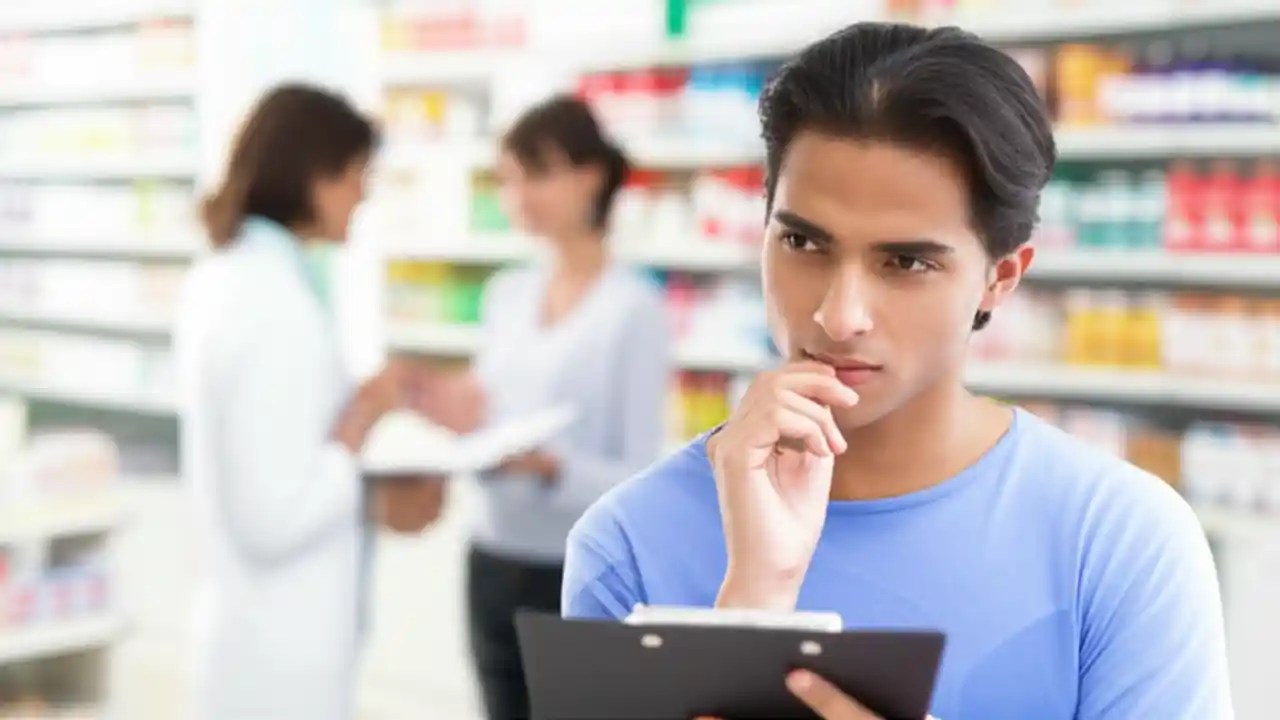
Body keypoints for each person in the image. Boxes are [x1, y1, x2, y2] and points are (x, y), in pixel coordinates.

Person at [562, 23, 1232, 720]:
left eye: (906, 262)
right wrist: (753, 601)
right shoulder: (628, 543)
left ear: (999, 278)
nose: (839, 314)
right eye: (802, 241)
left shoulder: (1121, 541)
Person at [175, 84, 446, 720]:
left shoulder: (231, 277)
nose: (364, 194)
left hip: (253, 636)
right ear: (316, 177)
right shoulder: (275, 305)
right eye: (359, 175)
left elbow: (271, 440)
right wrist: (364, 426)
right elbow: (272, 516)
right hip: (281, 655)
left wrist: (361, 404)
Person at [450, 95, 672, 720]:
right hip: (491, 556)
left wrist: (553, 468)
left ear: (590, 176)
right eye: (509, 179)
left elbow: (637, 473)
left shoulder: (633, 309)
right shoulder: (506, 294)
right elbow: (489, 414)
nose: (520, 196)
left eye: (538, 174)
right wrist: (455, 418)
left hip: (574, 572)